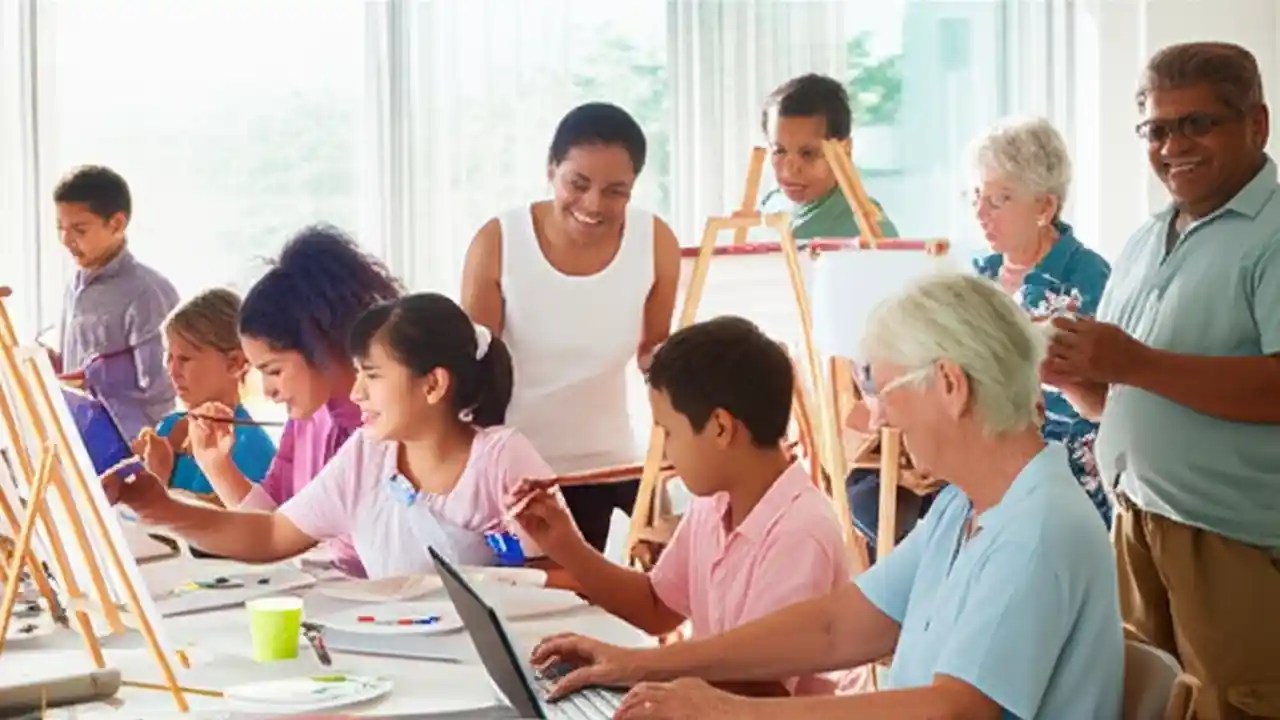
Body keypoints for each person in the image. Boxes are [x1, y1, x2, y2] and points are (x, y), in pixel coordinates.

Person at [530, 274, 1123, 720]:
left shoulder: (1039, 528)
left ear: (949, 385)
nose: (880, 418)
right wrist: (641, 663)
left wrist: (729, 712)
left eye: (886, 392)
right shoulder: (966, 506)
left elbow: (954, 710)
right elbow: (839, 626)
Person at [1044, 42, 1280, 719]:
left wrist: (1133, 363)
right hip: (1138, 524)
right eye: (1156, 129)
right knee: (1142, 702)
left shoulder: (1272, 233)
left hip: (1231, 540)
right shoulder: (1147, 239)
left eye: (1197, 124)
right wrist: (1075, 379)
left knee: (1233, 706)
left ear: (1256, 124)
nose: (1173, 146)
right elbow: (1122, 398)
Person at [508, 316, 856, 696]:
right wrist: (566, 546)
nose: (665, 451)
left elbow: (761, 685)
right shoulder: (714, 502)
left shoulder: (800, 532)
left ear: (720, 428)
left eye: (668, 432)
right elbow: (657, 608)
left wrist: (633, 669)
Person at [104, 293, 561, 578]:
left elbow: (560, 576)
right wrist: (162, 510)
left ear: (433, 385)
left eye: (372, 376)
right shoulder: (367, 452)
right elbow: (271, 534)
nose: (357, 392)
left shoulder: (501, 459)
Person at [462, 102, 681, 552]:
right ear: (551, 169)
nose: (594, 204)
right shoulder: (499, 241)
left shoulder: (655, 241)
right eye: (577, 184)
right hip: (518, 472)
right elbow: (474, 369)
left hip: (614, 466)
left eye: (616, 191)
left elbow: (654, 357)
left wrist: (673, 455)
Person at [186, 226, 401, 576]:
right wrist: (217, 466)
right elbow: (273, 521)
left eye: (274, 371)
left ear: (322, 344)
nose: (268, 391)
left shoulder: (389, 427)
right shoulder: (308, 417)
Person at [969, 116, 1113, 527]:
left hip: (1069, 491)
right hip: (988, 483)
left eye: (999, 199)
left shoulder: (1089, 279)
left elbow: (1106, 399)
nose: (980, 213)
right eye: (977, 196)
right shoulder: (977, 279)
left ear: (1045, 207)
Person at [53, 165, 179, 438]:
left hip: (129, 444)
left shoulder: (147, 292)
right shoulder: (73, 283)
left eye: (79, 230)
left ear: (117, 224)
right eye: (60, 227)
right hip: (76, 436)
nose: (65, 240)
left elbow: (164, 391)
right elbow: (69, 363)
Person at [130, 289, 276, 502]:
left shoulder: (253, 449)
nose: (172, 370)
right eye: (169, 357)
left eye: (185, 359)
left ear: (235, 363)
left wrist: (157, 477)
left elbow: (227, 521)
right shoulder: (169, 428)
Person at [757, 74, 899, 242]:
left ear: (844, 149)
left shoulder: (872, 229)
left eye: (808, 153)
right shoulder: (771, 204)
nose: (789, 170)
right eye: (779, 151)